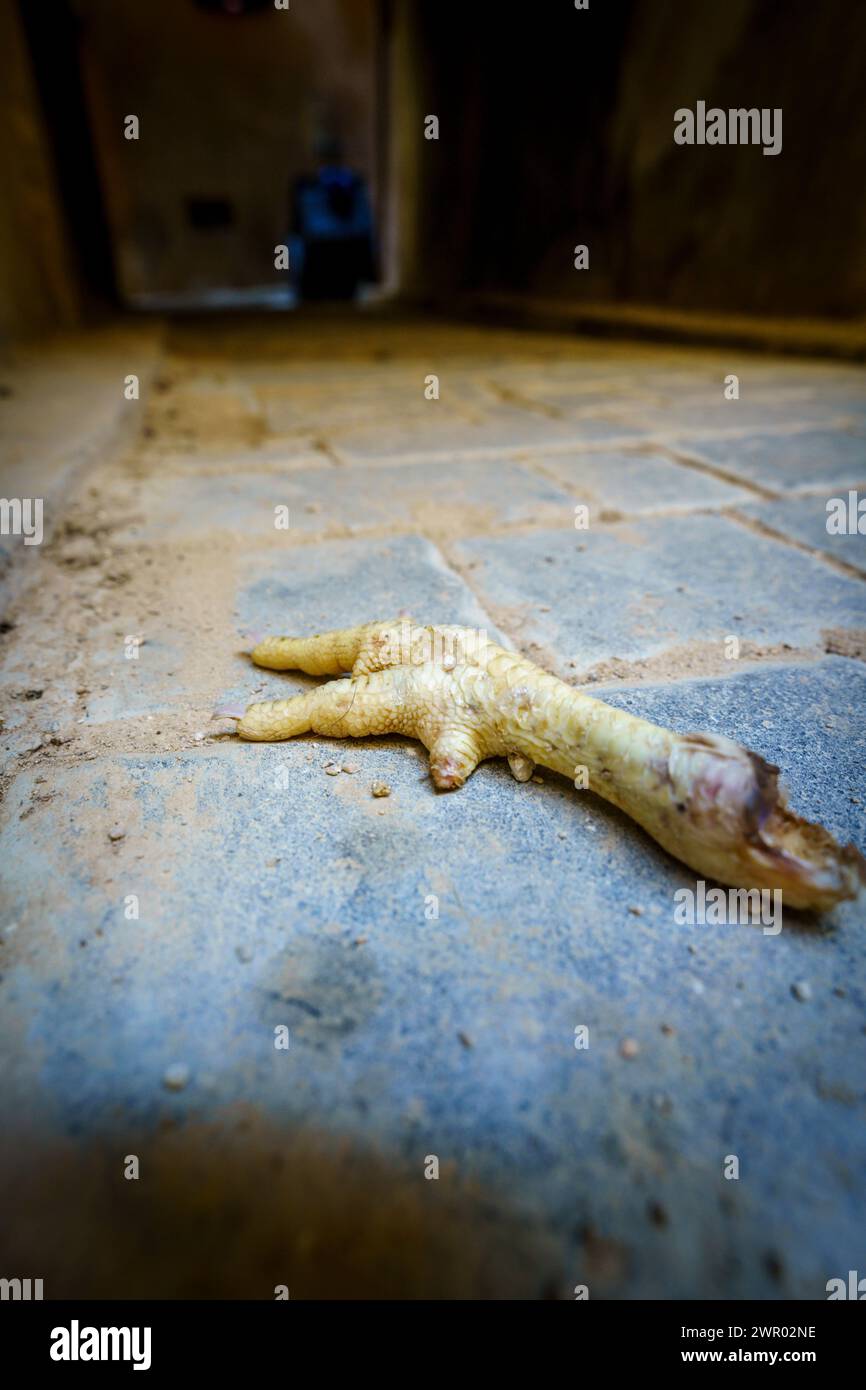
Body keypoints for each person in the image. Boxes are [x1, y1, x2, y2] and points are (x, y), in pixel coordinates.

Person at [289, 135, 376, 301]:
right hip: (331, 247)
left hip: (328, 247)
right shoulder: (312, 185)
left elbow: (297, 226)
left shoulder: (310, 186)